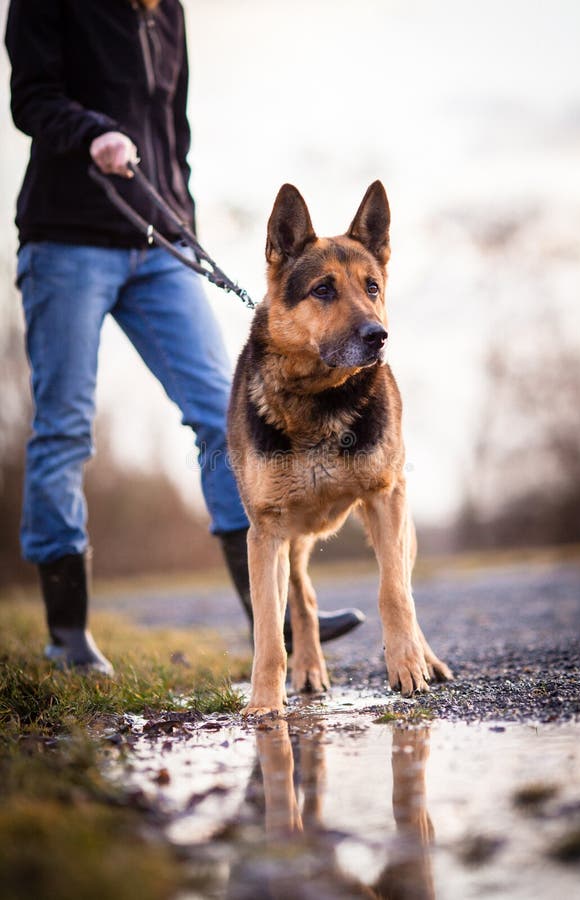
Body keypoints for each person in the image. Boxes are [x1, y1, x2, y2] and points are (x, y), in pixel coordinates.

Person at [5, 0, 364, 674]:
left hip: (158, 245)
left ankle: (276, 620)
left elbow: (175, 130)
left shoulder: (166, 10)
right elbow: (31, 98)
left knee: (221, 414)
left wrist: (183, 220)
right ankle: (68, 637)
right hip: (66, 242)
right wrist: (92, 133)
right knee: (64, 427)